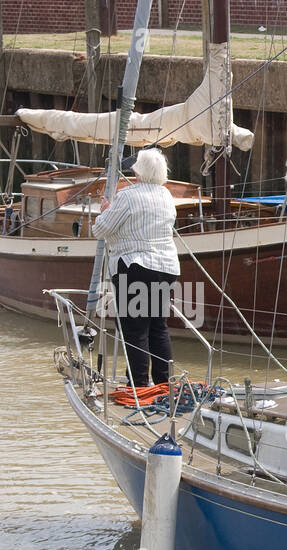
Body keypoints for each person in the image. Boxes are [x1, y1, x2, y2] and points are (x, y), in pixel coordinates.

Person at [91, 147, 180, 390]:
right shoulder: (166, 195)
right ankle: (164, 385)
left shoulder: (128, 196)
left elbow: (100, 230)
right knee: (157, 327)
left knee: (135, 329)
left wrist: (106, 211)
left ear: (138, 170)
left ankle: (138, 387)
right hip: (167, 267)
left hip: (136, 267)